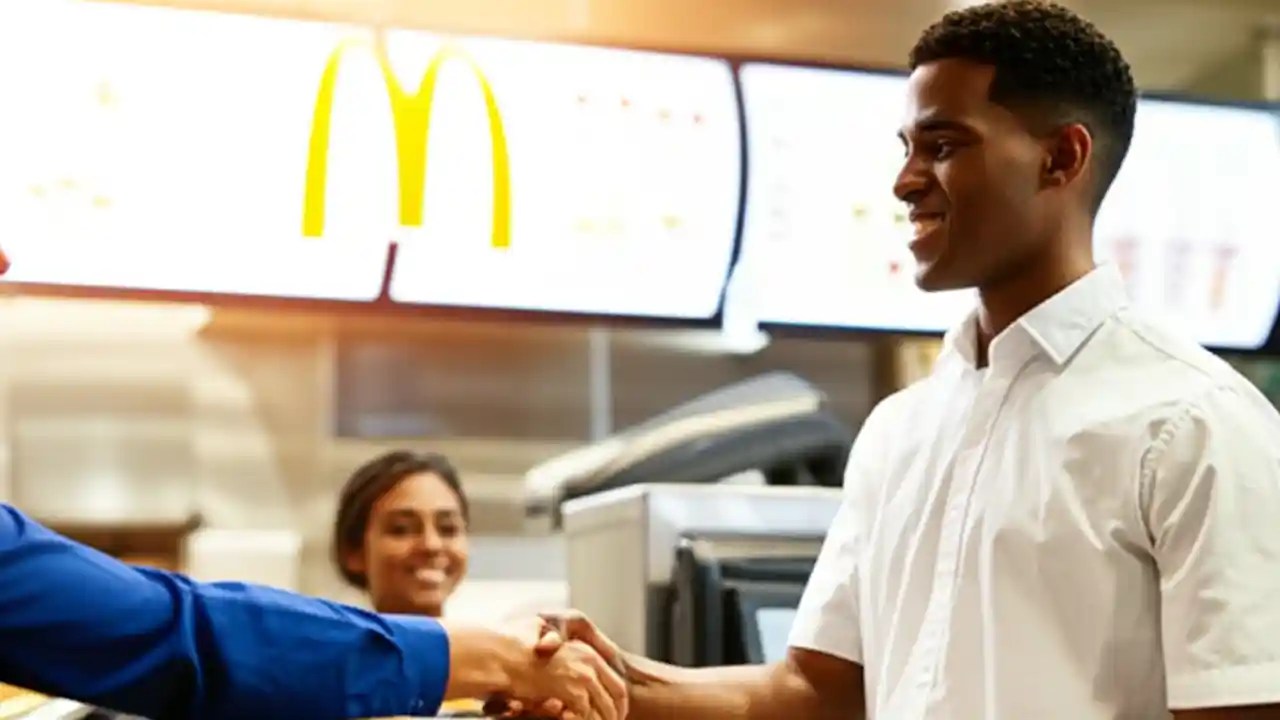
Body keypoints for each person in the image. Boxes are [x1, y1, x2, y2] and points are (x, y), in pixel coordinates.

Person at [531, 2, 1280, 719]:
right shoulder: (902, 429)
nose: (905, 181)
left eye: (945, 146)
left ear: (1061, 157)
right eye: (908, 149)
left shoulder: (1194, 425)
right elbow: (815, 692)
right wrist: (600, 676)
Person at [332, 450, 471, 619]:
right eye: (401, 529)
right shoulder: (327, 643)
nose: (431, 545)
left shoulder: (494, 643)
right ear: (354, 551)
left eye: (448, 529)